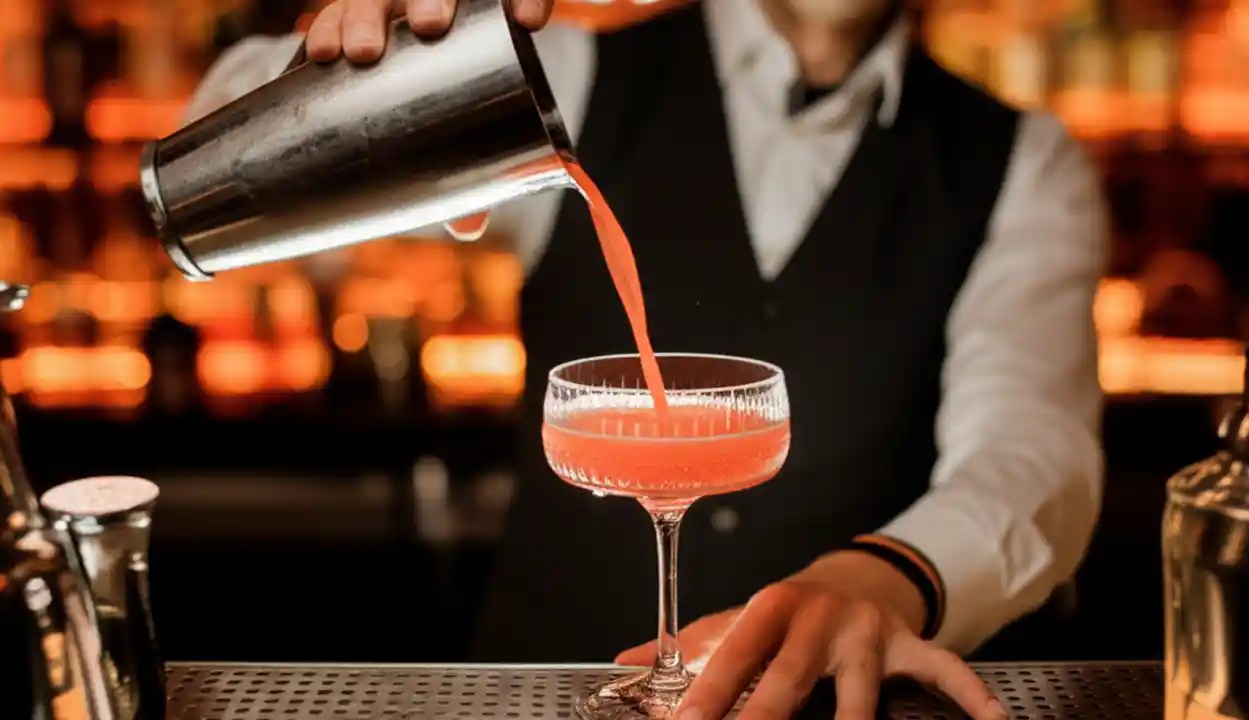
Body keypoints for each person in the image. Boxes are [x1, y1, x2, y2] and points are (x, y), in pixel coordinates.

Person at [186, 0, 1107, 718]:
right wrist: (354, 67)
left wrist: (885, 577)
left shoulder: (1021, 162)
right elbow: (234, 175)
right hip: (538, 701)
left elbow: (1035, 453)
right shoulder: (574, 76)